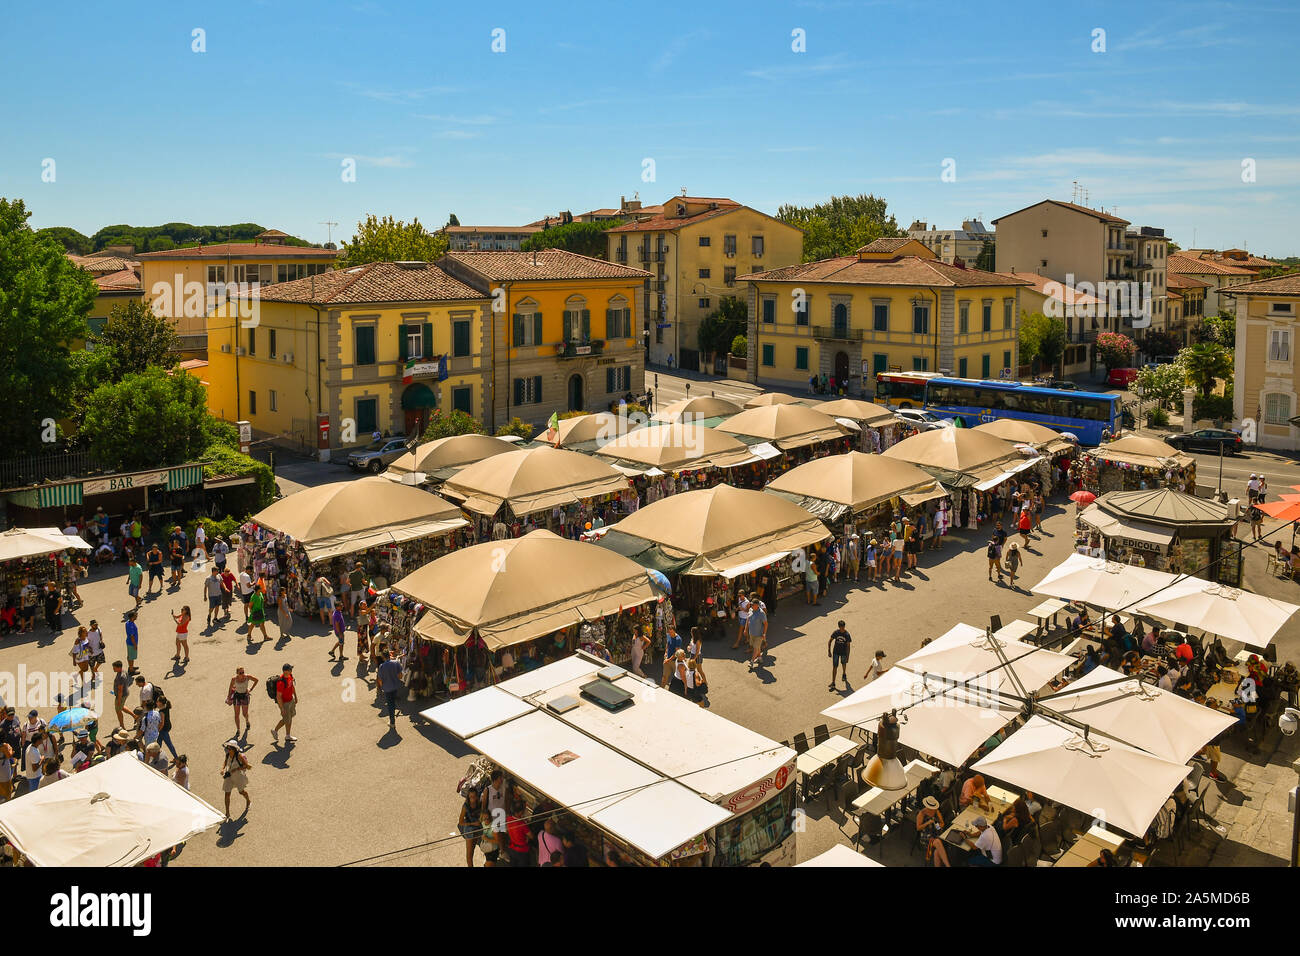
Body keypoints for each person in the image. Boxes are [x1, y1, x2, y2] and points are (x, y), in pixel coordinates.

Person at [220, 740, 251, 821]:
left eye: (229, 748)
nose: (228, 749)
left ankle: (248, 800)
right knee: (227, 794)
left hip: (238, 776)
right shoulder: (227, 755)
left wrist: (236, 769)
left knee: (241, 792)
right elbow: (225, 762)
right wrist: (223, 769)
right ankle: (227, 813)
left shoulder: (239, 756)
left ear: (234, 749)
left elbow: (246, 766)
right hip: (229, 776)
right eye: (227, 748)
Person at [916, 796, 951, 867]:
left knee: (937, 852)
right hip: (926, 836)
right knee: (937, 842)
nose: (932, 810)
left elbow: (942, 823)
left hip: (936, 833)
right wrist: (928, 823)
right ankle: (948, 865)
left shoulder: (936, 811)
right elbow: (918, 828)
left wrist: (938, 826)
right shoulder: (922, 813)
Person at [377, 649, 404, 729]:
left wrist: (382, 687)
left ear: (383, 657)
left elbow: (380, 680)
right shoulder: (396, 663)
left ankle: (392, 722)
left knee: (390, 705)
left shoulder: (382, 666)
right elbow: (400, 676)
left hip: (387, 688)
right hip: (395, 686)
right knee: (392, 701)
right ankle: (392, 717)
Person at [271, 664, 298, 744]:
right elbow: (278, 696)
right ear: (286, 671)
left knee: (288, 718)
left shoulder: (290, 676)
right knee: (287, 719)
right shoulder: (281, 682)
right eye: (290, 669)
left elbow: (292, 687)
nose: (291, 671)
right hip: (285, 703)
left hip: (291, 700)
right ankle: (286, 735)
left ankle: (278, 731)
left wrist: (295, 697)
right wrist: (282, 708)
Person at [457, 786, 484, 867]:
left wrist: (480, 820)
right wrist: (473, 824)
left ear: (477, 796)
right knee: (469, 854)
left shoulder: (479, 803)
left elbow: (482, 813)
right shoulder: (465, 806)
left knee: (474, 848)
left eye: (474, 796)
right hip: (469, 829)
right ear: (468, 797)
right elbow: (461, 822)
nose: (473, 799)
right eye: (471, 797)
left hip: (478, 828)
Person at [228, 667, 257, 738]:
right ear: (237, 673)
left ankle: (247, 721)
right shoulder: (234, 679)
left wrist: (251, 689)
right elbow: (230, 688)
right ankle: (238, 729)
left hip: (245, 696)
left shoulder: (247, 677)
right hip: (237, 697)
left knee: (244, 713)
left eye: (243, 672)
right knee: (236, 715)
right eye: (240, 673)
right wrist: (229, 697)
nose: (242, 674)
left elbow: (256, 680)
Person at [828, 620, 851, 690]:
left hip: (843, 652)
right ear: (839, 627)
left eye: (843, 627)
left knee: (843, 664)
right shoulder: (836, 633)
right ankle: (833, 683)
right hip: (836, 652)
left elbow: (848, 646)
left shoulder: (847, 635)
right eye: (841, 627)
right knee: (835, 667)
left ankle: (844, 674)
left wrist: (848, 656)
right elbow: (830, 641)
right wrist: (829, 651)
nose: (842, 629)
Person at [745, 599, 768, 671]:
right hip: (751, 633)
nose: (751, 605)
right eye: (751, 604)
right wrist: (745, 629)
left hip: (759, 634)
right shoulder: (751, 610)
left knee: (755, 648)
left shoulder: (761, 613)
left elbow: (766, 624)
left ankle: (751, 662)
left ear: (757, 605)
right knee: (757, 647)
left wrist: (764, 633)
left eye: (753, 604)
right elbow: (748, 619)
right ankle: (760, 658)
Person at [661, 621, 683, 688]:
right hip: (667, 659)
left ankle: (681, 691)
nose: (669, 634)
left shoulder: (678, 639)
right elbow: (667, 644)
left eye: (671, 632)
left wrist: (668, 659)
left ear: (674, 631)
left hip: (674, 661)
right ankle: (661, 689)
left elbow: (676, 653)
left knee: (678, 677)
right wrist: (665, 652)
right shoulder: (668, 635)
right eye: (669, 632)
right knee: (664, 676)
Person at [124, 611, 140, 675]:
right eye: (135, 615)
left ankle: (131, 667)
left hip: (129, 642)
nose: (136, 616)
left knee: (130, 656)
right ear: (132, 617)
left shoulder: (128, 622)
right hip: (131, 643)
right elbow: (132, 636)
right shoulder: (131, 625)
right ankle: (131, 670)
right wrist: (135, 645)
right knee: (131, 657)